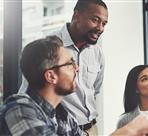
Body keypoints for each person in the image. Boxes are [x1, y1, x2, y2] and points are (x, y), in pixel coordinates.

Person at [18, 0, 108, 135]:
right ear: (76, 16)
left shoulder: (97, 52)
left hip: (89, 129)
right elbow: (29, 92)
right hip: (58, 129)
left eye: (104, 23)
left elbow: (95, 90)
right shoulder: (50, 47)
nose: (100, 28)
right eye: (95, 20)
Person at [0, 36, 83, 135]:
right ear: (51, 76)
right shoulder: (19, 110)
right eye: (70, 63)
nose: (77, 68)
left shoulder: (63, 116)